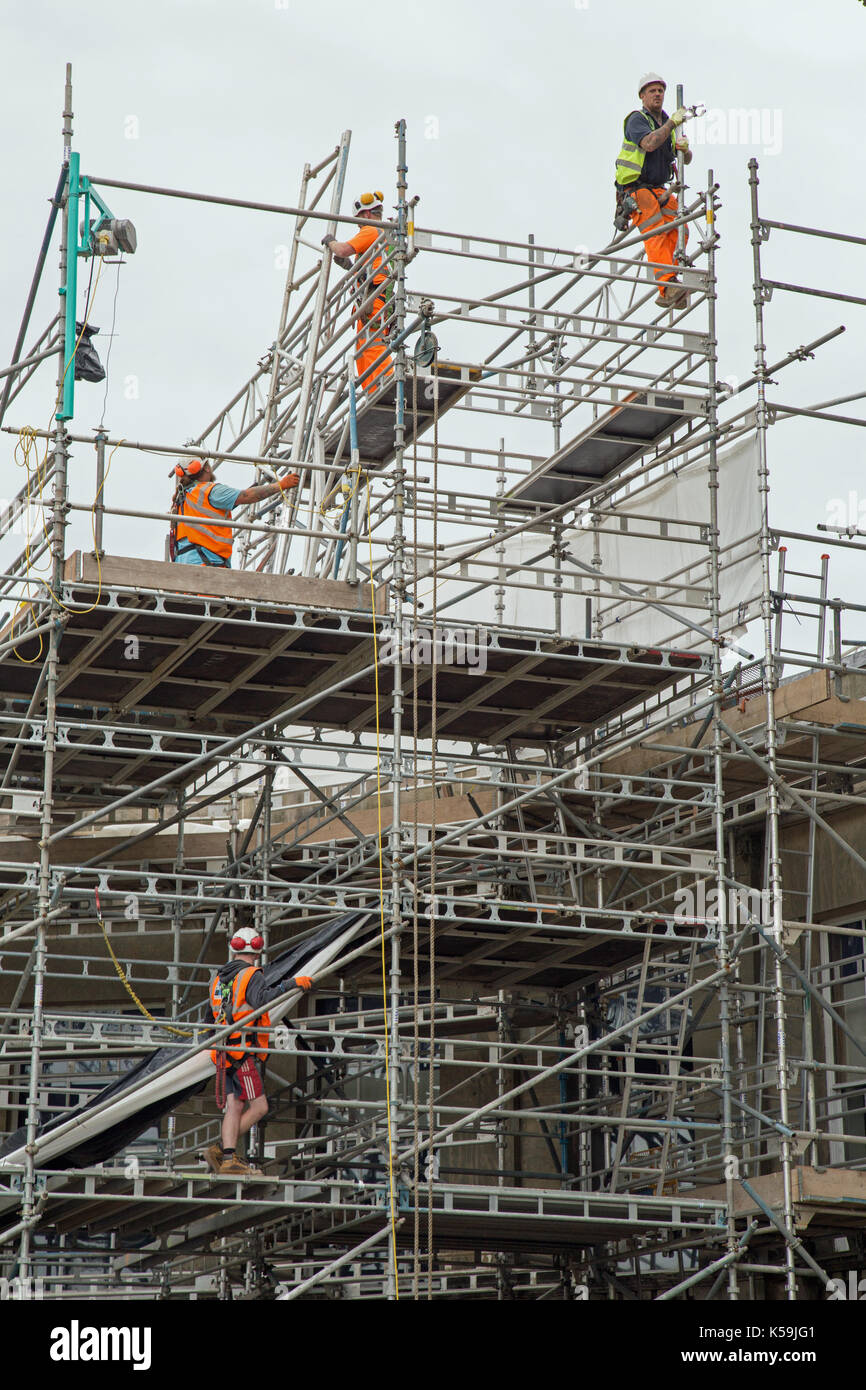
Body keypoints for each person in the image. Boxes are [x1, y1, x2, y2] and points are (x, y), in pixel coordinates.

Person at [205, 926, 312, 1176]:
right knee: (260, 1106)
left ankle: (225, 1154)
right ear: (258, 949)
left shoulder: (218, 979)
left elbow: (211, 1015)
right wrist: (292, 984)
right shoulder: (251, 974)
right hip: (242, 1052)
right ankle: (225, 1153)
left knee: (234, 1105)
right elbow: (263, 1001)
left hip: (223, 1051)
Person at [614, 73, 693, 308]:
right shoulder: (637, 120)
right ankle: (667, 286)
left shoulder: (669, 123)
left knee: (681, 229)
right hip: (636, 190)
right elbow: (649, 144)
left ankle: (668, 280)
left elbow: (685, 159)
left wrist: (684, 149)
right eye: (652, 90)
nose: (658, 94)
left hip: (659, 190)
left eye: (660, 90)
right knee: (655, 230)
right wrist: (672, 126)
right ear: (642, 96)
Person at [321, 191, 394, 392]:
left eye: (359, 220)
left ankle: (389, 385)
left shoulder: (371, 230)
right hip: (375, 296)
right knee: (364, 351)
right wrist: (350, 266)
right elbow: (369, 267)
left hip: (374, 297)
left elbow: (343, 249)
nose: (358, 225)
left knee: (372, 347)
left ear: (367, 214)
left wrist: (330, 242)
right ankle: (374, 390)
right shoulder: (383, 235)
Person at [170, 458, 300, 568]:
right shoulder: (209, 491)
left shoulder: (182, 498)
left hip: (183, 564)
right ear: (207, 468)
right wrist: (281, 485)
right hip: (205, 564)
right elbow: (247, 496)